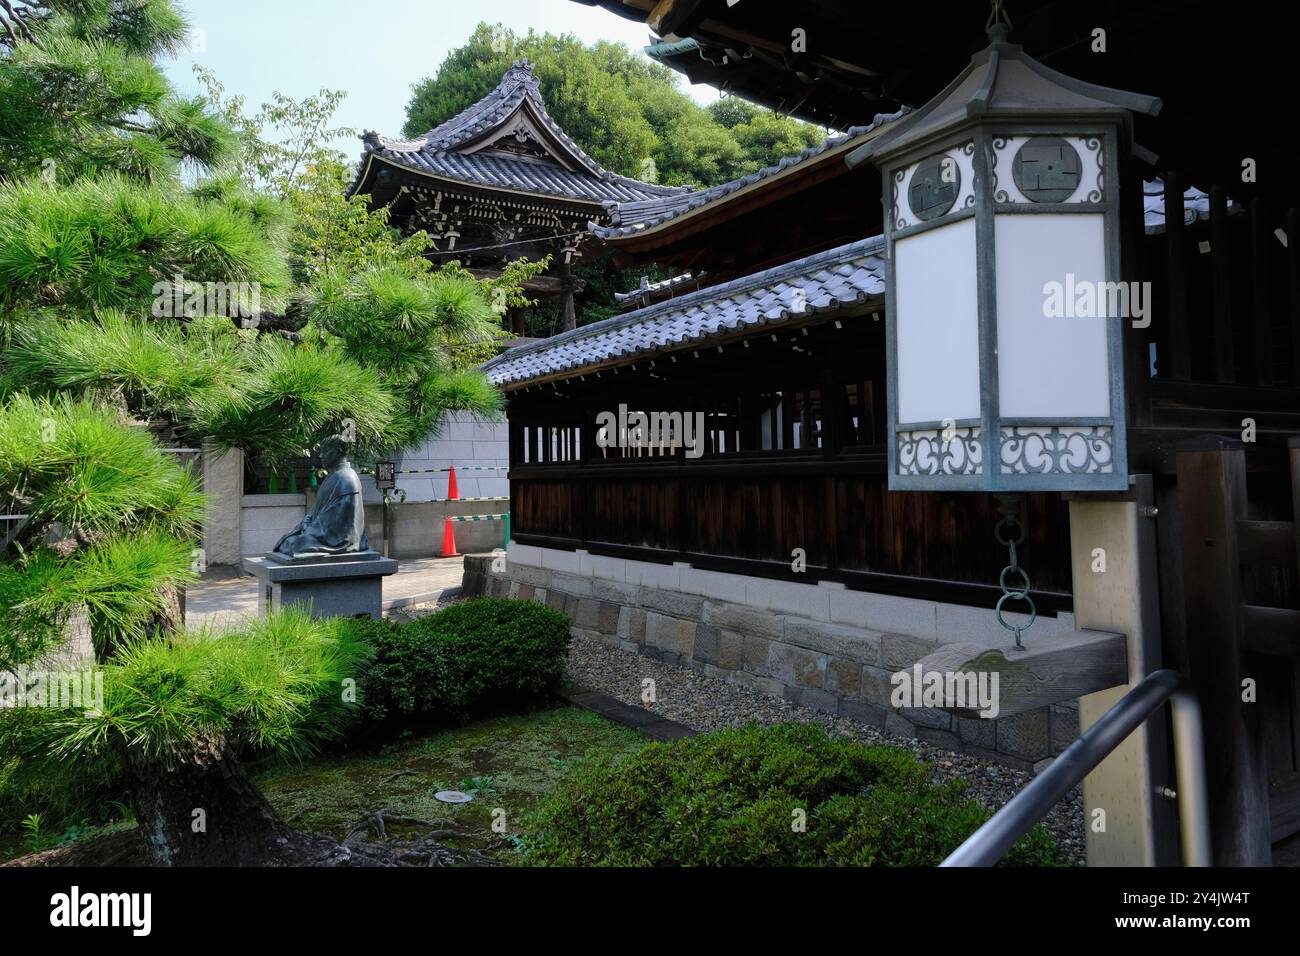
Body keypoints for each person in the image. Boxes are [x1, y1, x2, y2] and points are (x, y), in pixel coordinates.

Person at [272, 435, 369, 557]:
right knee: (286, 541)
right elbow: (315, 510)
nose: (321, 455)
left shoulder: (347, 478)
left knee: (294, 544)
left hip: (338, 538)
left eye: (325, 451)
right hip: (319, 530)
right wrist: (307, 522)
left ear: (339, 451)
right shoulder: (333, 476)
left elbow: (338, 520)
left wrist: (311, 529)